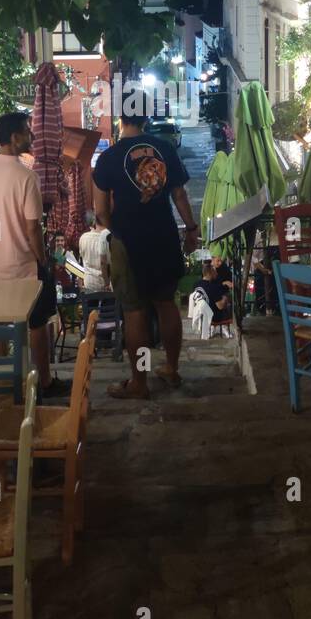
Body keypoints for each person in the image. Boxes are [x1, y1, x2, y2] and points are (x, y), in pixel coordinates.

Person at [92, 100, 198, 398]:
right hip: (164, 235)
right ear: (146, 117)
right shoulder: (165, 148)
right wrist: (191, 229)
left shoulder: (108, 157)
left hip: (128, 241)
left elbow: (100, 211)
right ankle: (171, 368)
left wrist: (118, 229)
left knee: (135, 312)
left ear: (121, 118)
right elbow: (179, 195)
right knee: (166, 304)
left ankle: (140, 382)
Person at [0, 110, 57, 393]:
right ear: (15, 138)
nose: (32, 136)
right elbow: (33, 229)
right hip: (23, 265)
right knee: (37, 322)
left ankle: (3, 380)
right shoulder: (26, 176)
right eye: (28, 131)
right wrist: (43, 260)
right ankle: (44, 381)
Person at [78, 215, 111, 292]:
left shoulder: (83, 237)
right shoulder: (108, 238)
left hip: (89, 283)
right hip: (105, 285)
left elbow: (82, 259)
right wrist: (107, 283)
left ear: (94, 222)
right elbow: (105, 263)